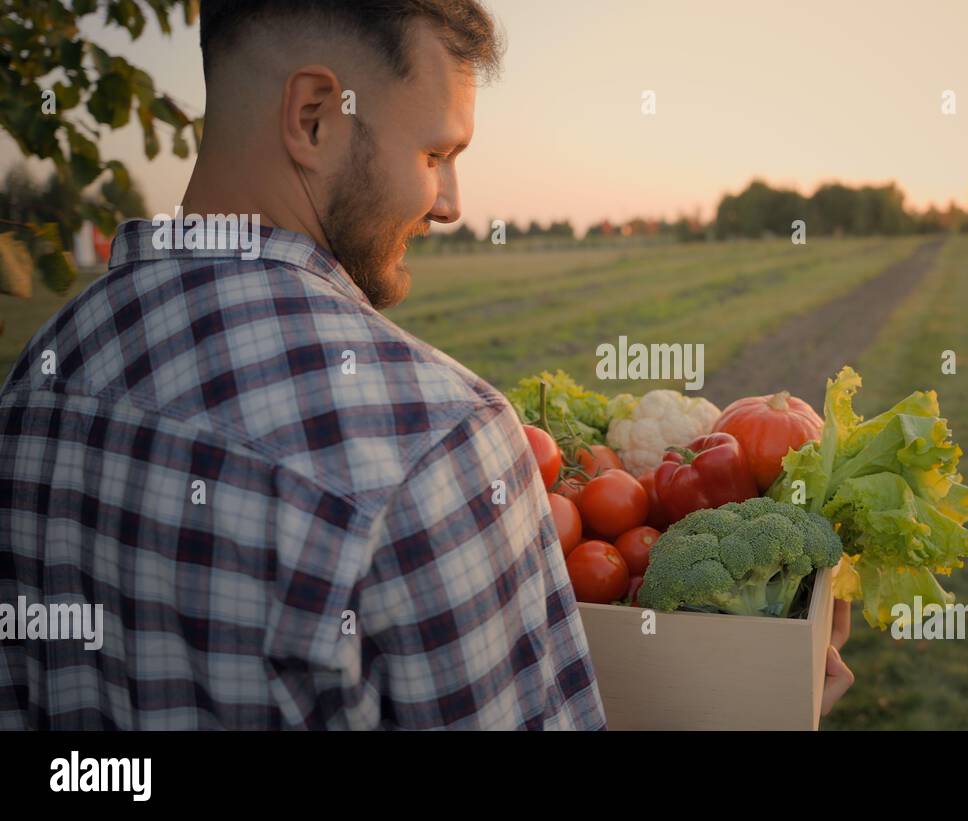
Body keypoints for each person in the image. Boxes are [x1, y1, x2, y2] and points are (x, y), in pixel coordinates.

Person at [0, 0, 851, 730]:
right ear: (315, 118)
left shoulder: (37, 379)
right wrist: (751, 698)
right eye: (436, 155)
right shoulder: (438, 444)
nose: (450, 205)